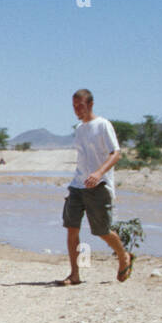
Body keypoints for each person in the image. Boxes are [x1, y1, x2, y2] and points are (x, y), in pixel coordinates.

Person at [59, 89, 133, 285]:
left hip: (99, 186)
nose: (77, 110)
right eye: (74, 106)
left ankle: (123, 254)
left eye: (80, 106)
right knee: (71, 227)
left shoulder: (103, 125)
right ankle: (74, 274)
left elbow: (116, 153)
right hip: (77, 185)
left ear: (90, 104)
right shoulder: (79, 128)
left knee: (102, 230)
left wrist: (99, 173)